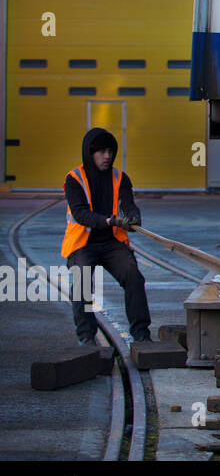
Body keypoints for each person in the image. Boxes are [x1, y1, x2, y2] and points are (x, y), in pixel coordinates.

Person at [63, 127, 151, 345]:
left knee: (133, 276)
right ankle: (86, 336)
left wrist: (132, 217)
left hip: (112, 243)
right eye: (101, 152)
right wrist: (110, 220)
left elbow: (129, 205)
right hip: (82, 243)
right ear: (89, 153)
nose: (107, 156)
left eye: (110, 151)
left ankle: (141, 335)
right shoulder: (75, 179)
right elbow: (81, 214)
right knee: (82, 280)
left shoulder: (120, 177)